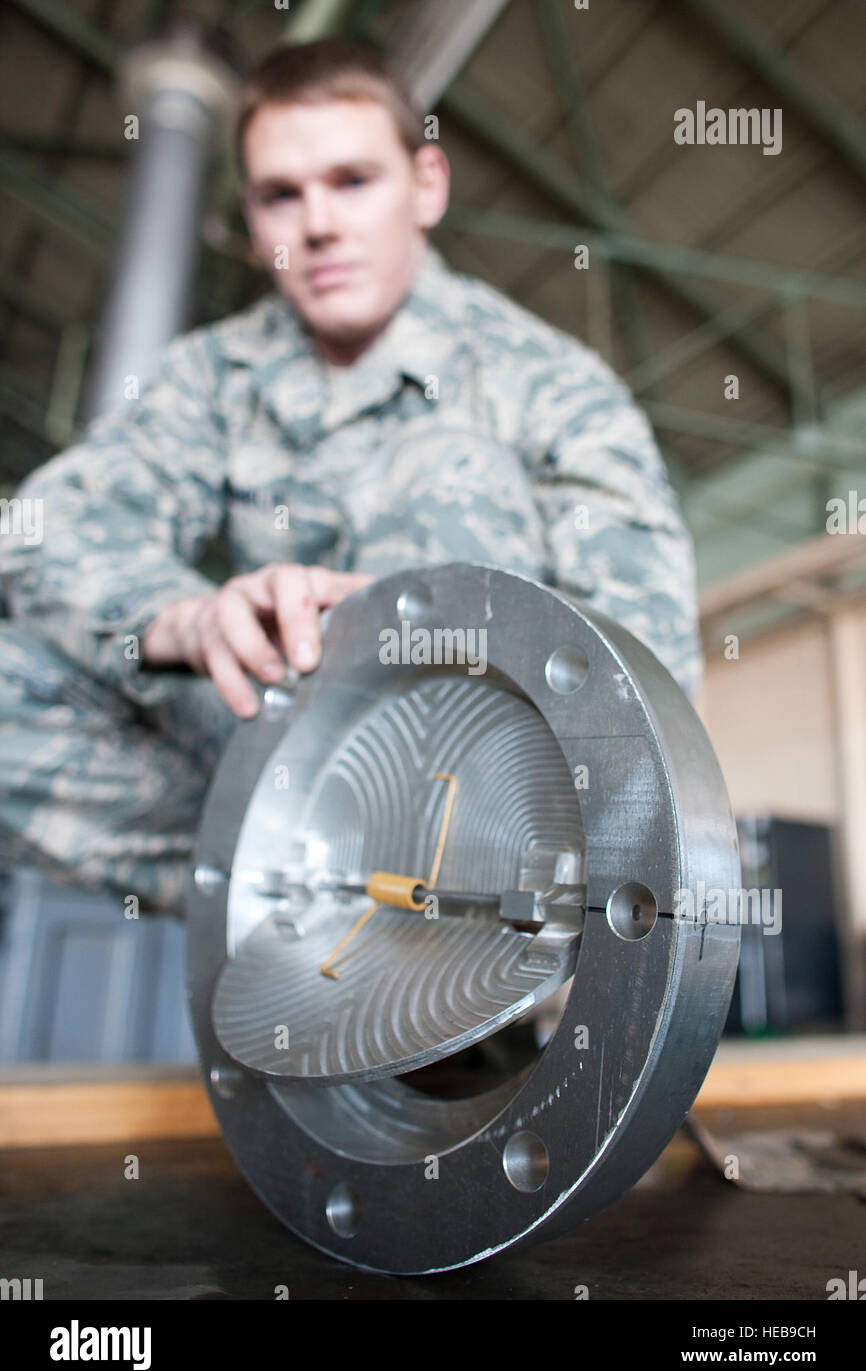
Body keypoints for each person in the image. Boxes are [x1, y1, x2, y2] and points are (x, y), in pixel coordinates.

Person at [0, 37, 701, 921]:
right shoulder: (212, 377)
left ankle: (454, 929)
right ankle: (294, 891)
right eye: (280, 196)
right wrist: (181, 619)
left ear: (428, 186)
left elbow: (650, 665)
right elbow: (41, 531)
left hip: (496, 819)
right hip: (269, 790)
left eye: (353, 181)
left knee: (452, 480)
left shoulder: (545, 380)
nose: (318, 224)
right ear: (251, 220)